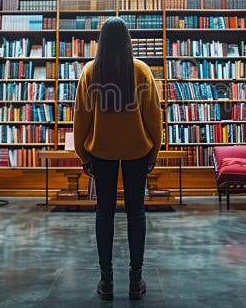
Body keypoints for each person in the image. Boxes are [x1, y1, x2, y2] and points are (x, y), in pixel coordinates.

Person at [73, 17, 163, 300]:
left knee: (104, 213)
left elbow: (80, 117)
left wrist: (82, 152)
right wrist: (154, 150)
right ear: (128, 41)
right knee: (136, 213)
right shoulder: (141, 70)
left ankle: (106, 280)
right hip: (137, 151)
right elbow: (154, 116)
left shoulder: (91, 71)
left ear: (101, 42)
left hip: (101, 152)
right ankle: (136, 280)